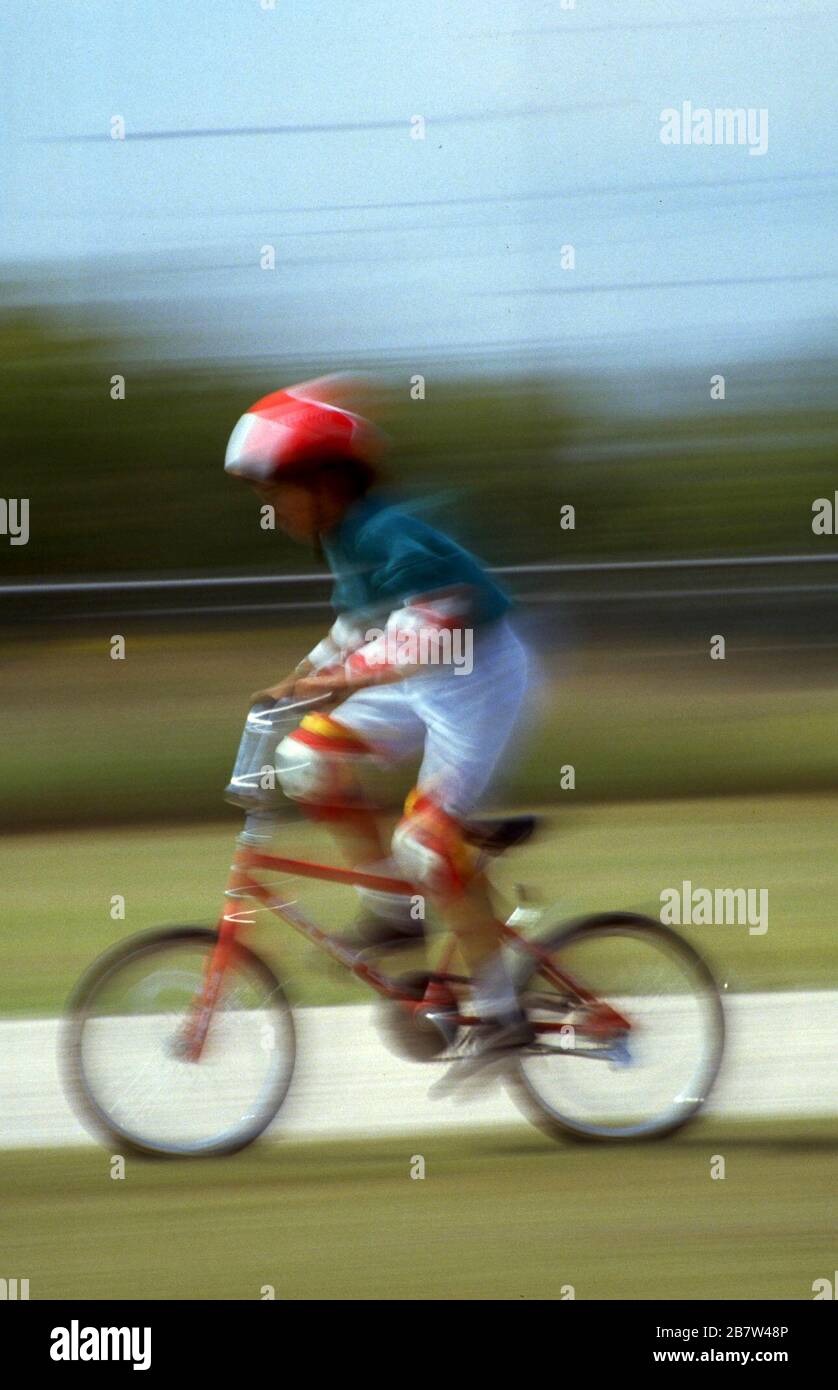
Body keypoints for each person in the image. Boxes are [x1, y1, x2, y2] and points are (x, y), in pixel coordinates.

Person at [224, 378, 532, 1051]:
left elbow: (432, 623)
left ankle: (503, 1011)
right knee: (308, 760)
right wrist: (301, 679)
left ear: (326, 482)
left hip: (476, 680)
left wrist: (341, 679)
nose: (271, 508)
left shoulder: (386, 531)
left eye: (277, 490)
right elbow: (359, 624)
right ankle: (397, 911)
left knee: (425, 847)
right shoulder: (345, 537)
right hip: (418, 679)